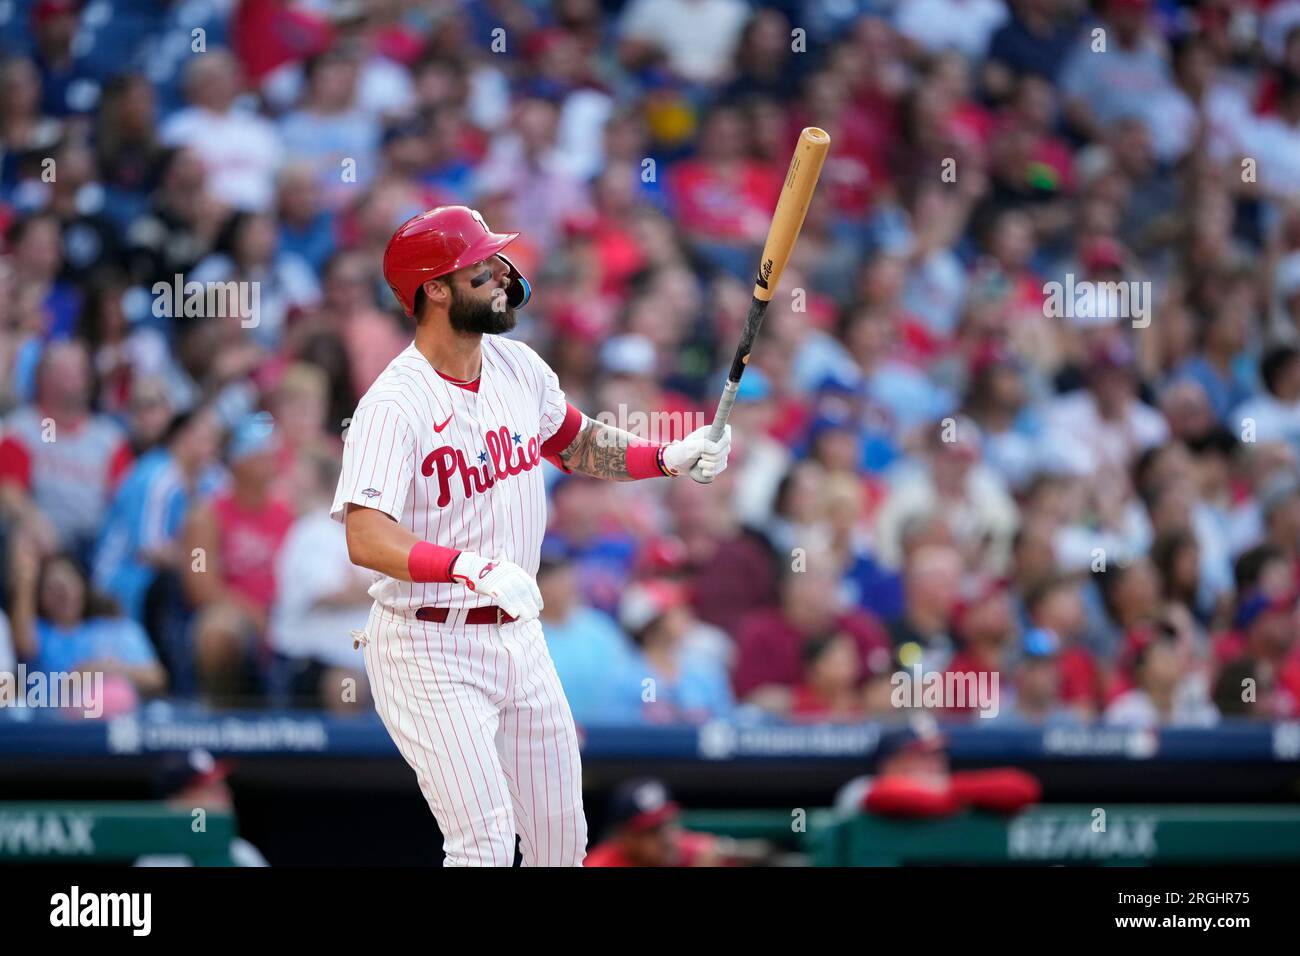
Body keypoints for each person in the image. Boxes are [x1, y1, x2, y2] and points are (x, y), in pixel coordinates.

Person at [336, 205, 732, 867]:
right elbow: (365, 536)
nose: (500, 274)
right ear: (435, 288)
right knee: (484, 844)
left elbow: (574, 443)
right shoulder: (393, 404)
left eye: (497, 261)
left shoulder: (517, 366)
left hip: (517, 633)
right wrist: (466, 566)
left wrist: (665, 457)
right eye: (480, 266)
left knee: (560, 843)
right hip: (428, 642)